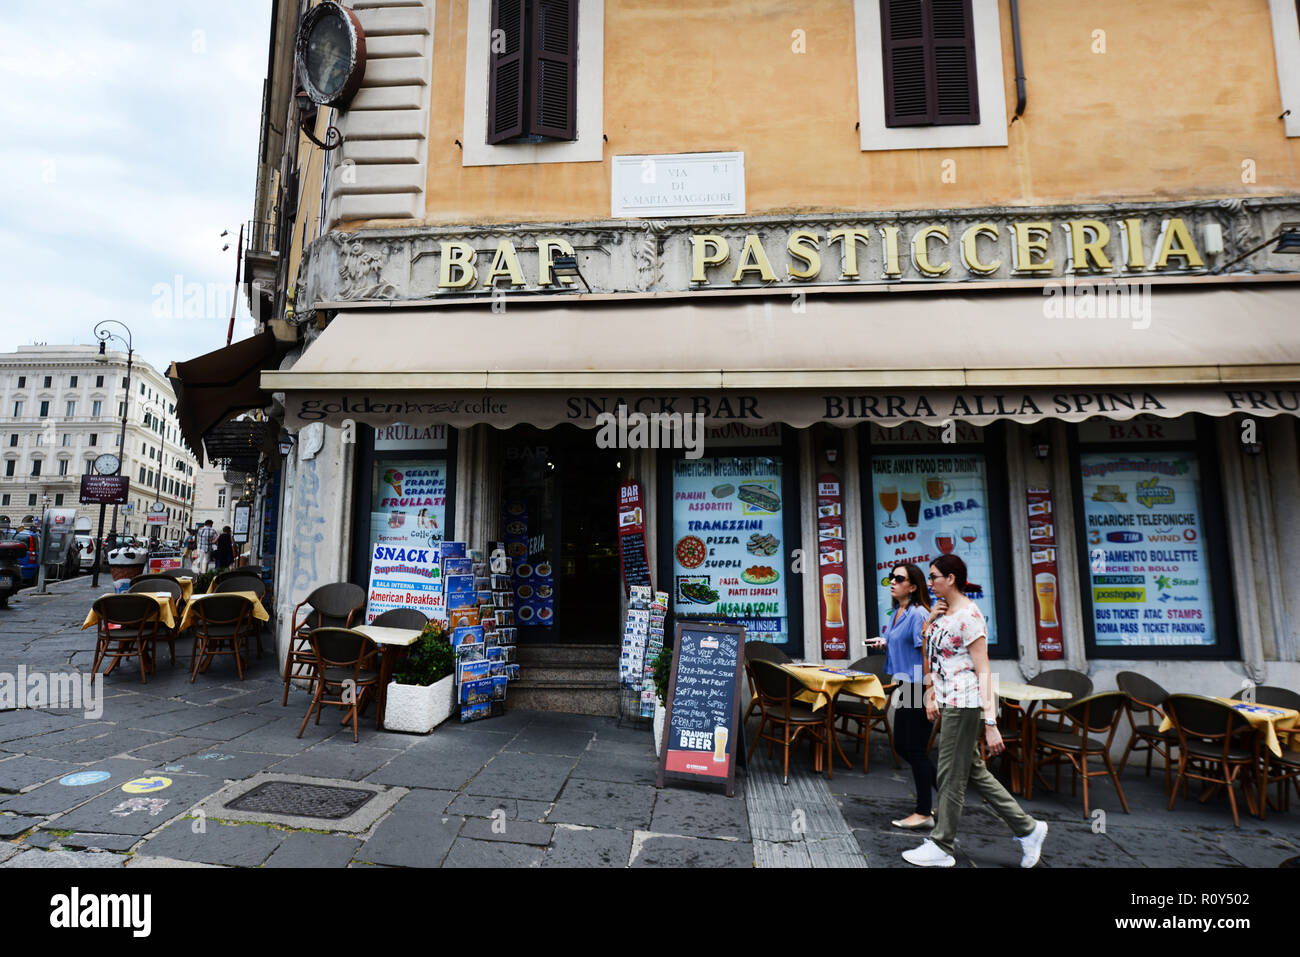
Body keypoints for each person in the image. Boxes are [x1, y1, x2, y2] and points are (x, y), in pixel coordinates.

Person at [902, 553, 1048, 868]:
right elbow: (935, 657)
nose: (930, 583)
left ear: (950, 579)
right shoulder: (942, 612)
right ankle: (1029, 828)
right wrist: (930, 690)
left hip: (964, 702)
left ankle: (942, 846)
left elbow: (983, 670)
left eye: (934, 577)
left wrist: (991, 722)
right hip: (948, 699)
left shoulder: (970, 615)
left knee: (950, 775)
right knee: (975, 772)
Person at [867, 563, 936, 829]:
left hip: (918, 687)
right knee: (903, 746)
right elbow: (901, 641)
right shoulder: (899, 611)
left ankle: (924, 812)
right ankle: (948, 795)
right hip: (905, 685)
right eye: (891, 578)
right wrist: (885, 642)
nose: (892, 582)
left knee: (914, 748)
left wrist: (930, 693)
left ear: (914, 586)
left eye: (899, 578)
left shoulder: (919, 613)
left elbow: (926, 654)